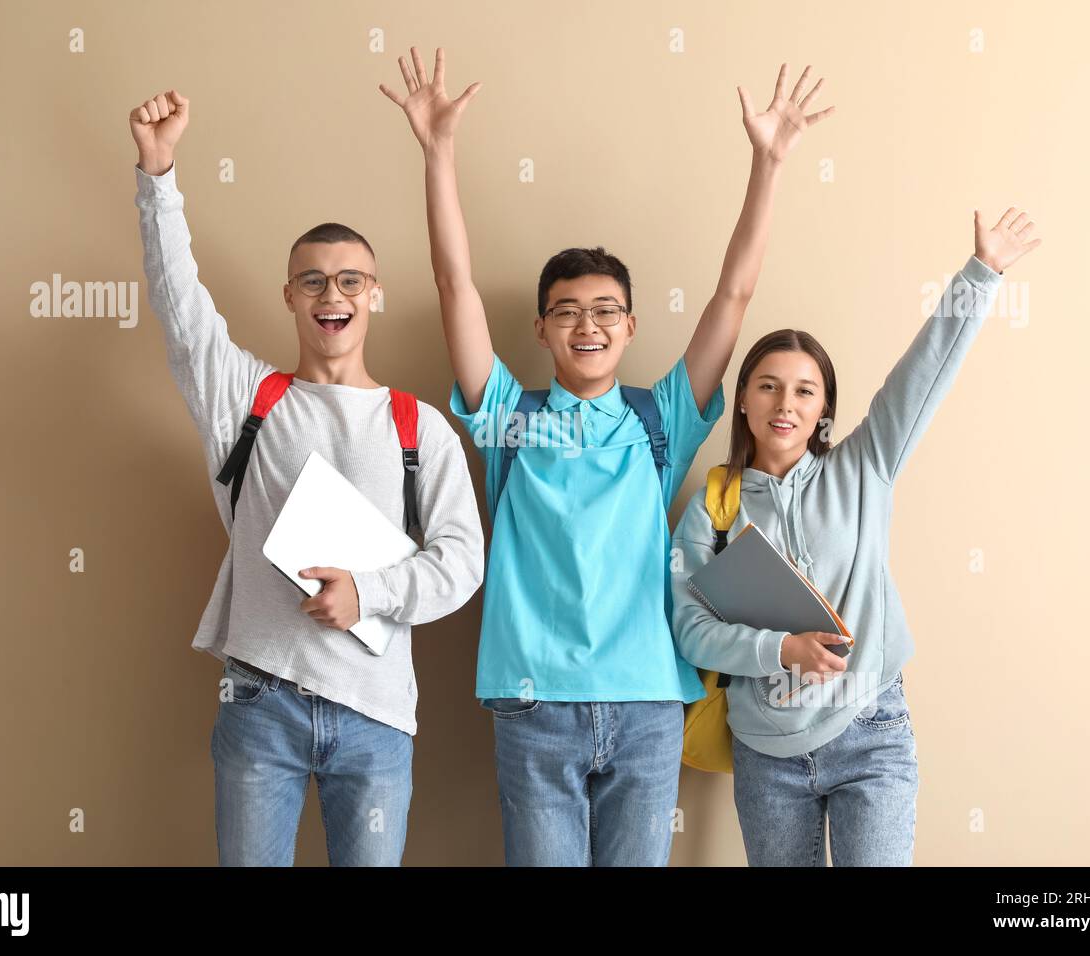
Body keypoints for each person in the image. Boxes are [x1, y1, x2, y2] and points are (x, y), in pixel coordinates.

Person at [382, 48, 833, 865]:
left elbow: (732, 296)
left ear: (628, 327)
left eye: (605, 311)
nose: (586, 325)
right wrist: (437, 154)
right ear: (541, 330)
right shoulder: (507, 419)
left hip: (647, 704)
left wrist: (767, 166)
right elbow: (457, 286)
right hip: (532, 704)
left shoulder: (660, 420)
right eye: (566, 313)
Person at [129, 89, 484, 866]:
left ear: (376, 295)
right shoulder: (248, 400)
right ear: (289, 295)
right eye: (314, 281)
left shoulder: (417, 425)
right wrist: (159, 173)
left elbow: (463, 561)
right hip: (260, 702)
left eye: (351, 280)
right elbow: (180, 305)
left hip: (378, 718)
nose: (334, 296)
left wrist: (370, 591)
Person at [671, 207, 1041, 865]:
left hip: (871, 732)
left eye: (805, 392)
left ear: (823, 412)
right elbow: (689, 630)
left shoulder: (864, 467)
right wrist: (779, 648)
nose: (786, 403)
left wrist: (981, 274)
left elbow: (923, 374)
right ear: (746, 402)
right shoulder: (713, 508)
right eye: (769, 386)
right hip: (766, 754)